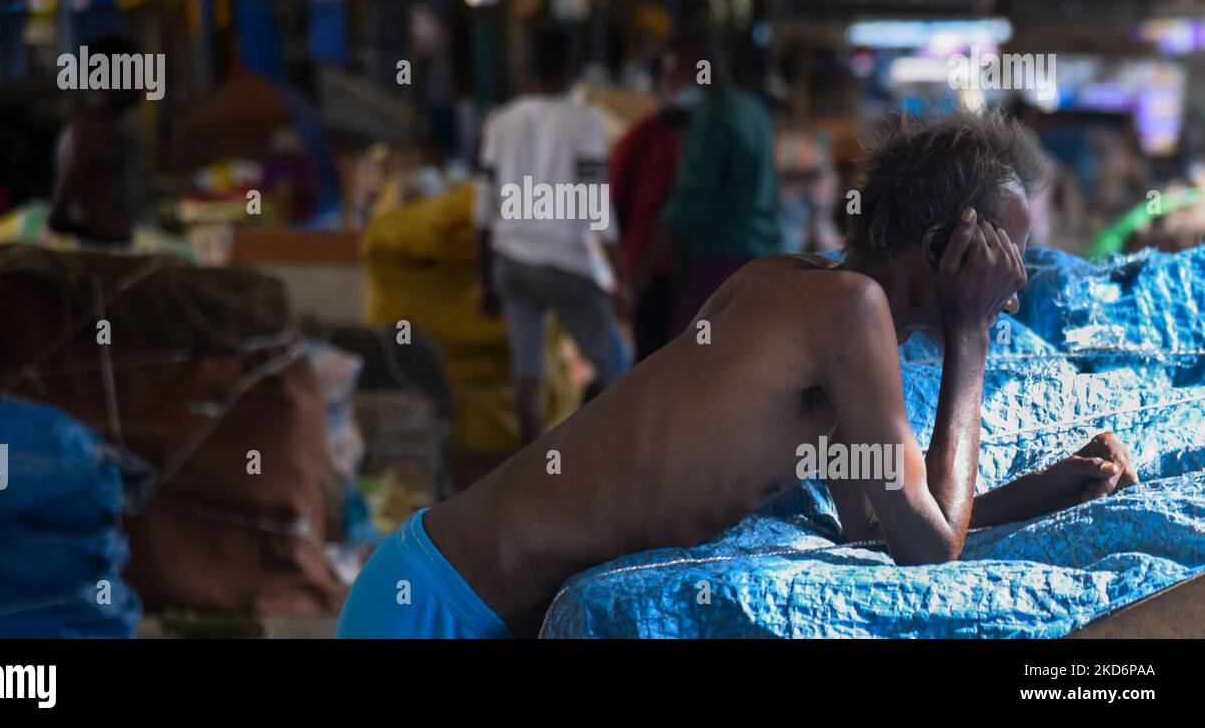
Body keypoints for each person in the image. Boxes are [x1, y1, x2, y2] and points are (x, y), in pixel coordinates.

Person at [335, 111, 1139, 638]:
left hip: (458, 591)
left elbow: (877, 528)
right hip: (434, 605)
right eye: (1002, 250)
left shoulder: (815, 294)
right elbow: (933, 551)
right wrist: (972, 333)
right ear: (939, 248)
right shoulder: (847, 309)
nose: (1016, 278)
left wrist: (1063, 480)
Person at [471, 22, 628, 446]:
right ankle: (616, 452)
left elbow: (483, 208)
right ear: (572, 70)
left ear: (524, 68)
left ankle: (530, 461)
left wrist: (484, 278)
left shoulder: (499, 121)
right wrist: (620, 278)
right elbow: (598, 208)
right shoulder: (585, 121)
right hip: (566, 264)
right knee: (615, 364)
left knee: (528, 369)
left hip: (512, 261)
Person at [636, 32, 781, 336]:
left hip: (718, 260)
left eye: (675, 72)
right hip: (760, 254)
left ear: (701, 69)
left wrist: (643, 271)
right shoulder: (752, 109)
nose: (671, 82)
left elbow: (688, 203)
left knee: (695, 356)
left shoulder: (711, 117)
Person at [608, 53, 688, 361]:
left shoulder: (705, 134)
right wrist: (626, 275)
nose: (680, 86)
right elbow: (613, 207)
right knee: (654, 361)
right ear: (656, 88)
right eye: (671, 79)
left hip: (698, 267)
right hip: (652, 274)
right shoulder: (639, 140)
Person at [48, 35, 149, 244]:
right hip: (109, 256)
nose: (143, 80)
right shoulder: (86, 136)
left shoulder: (123, 129)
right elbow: (59, 217)